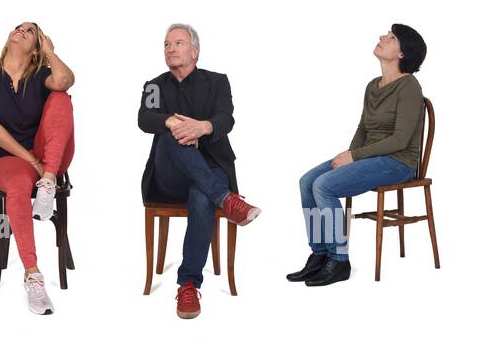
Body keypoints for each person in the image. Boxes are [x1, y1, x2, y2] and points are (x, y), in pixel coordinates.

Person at [288, 25, 428, 287]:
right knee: (307, 181)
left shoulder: (409, 86)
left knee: (324, 185)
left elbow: (400, 140)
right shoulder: (372, 86)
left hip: (398, 162)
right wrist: (350, 154)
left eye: (391, 38)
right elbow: (364, 129)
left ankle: (339, 260)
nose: (382, 38)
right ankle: (320, 255)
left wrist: (354, 156)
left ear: (401, 54)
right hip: (371, 157)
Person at [137, 24, 260, 320]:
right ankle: (228, 200)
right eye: (166, 44)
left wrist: (202, 127)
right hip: (169, 177)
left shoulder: (217, 82)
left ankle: (189, 283)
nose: (171, 48)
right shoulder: (154, 85)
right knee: (170, 133)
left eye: (178, 43)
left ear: (195, 50)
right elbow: (145, 118)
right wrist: (173, 124)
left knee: (202, 194)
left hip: (211, 170)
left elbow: (225, 118)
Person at [0, 22, 75, 315]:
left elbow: (65, 80)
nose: (21, 30)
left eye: (30, 31)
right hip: (6, 159)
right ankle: (33, 275)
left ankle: (49, 183)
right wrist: (32, 162)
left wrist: (50, 52)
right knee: (17, 181)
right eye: (19, 27)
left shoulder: (41, 73)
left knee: (61, 97)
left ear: (37, 45)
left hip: (49, 157)